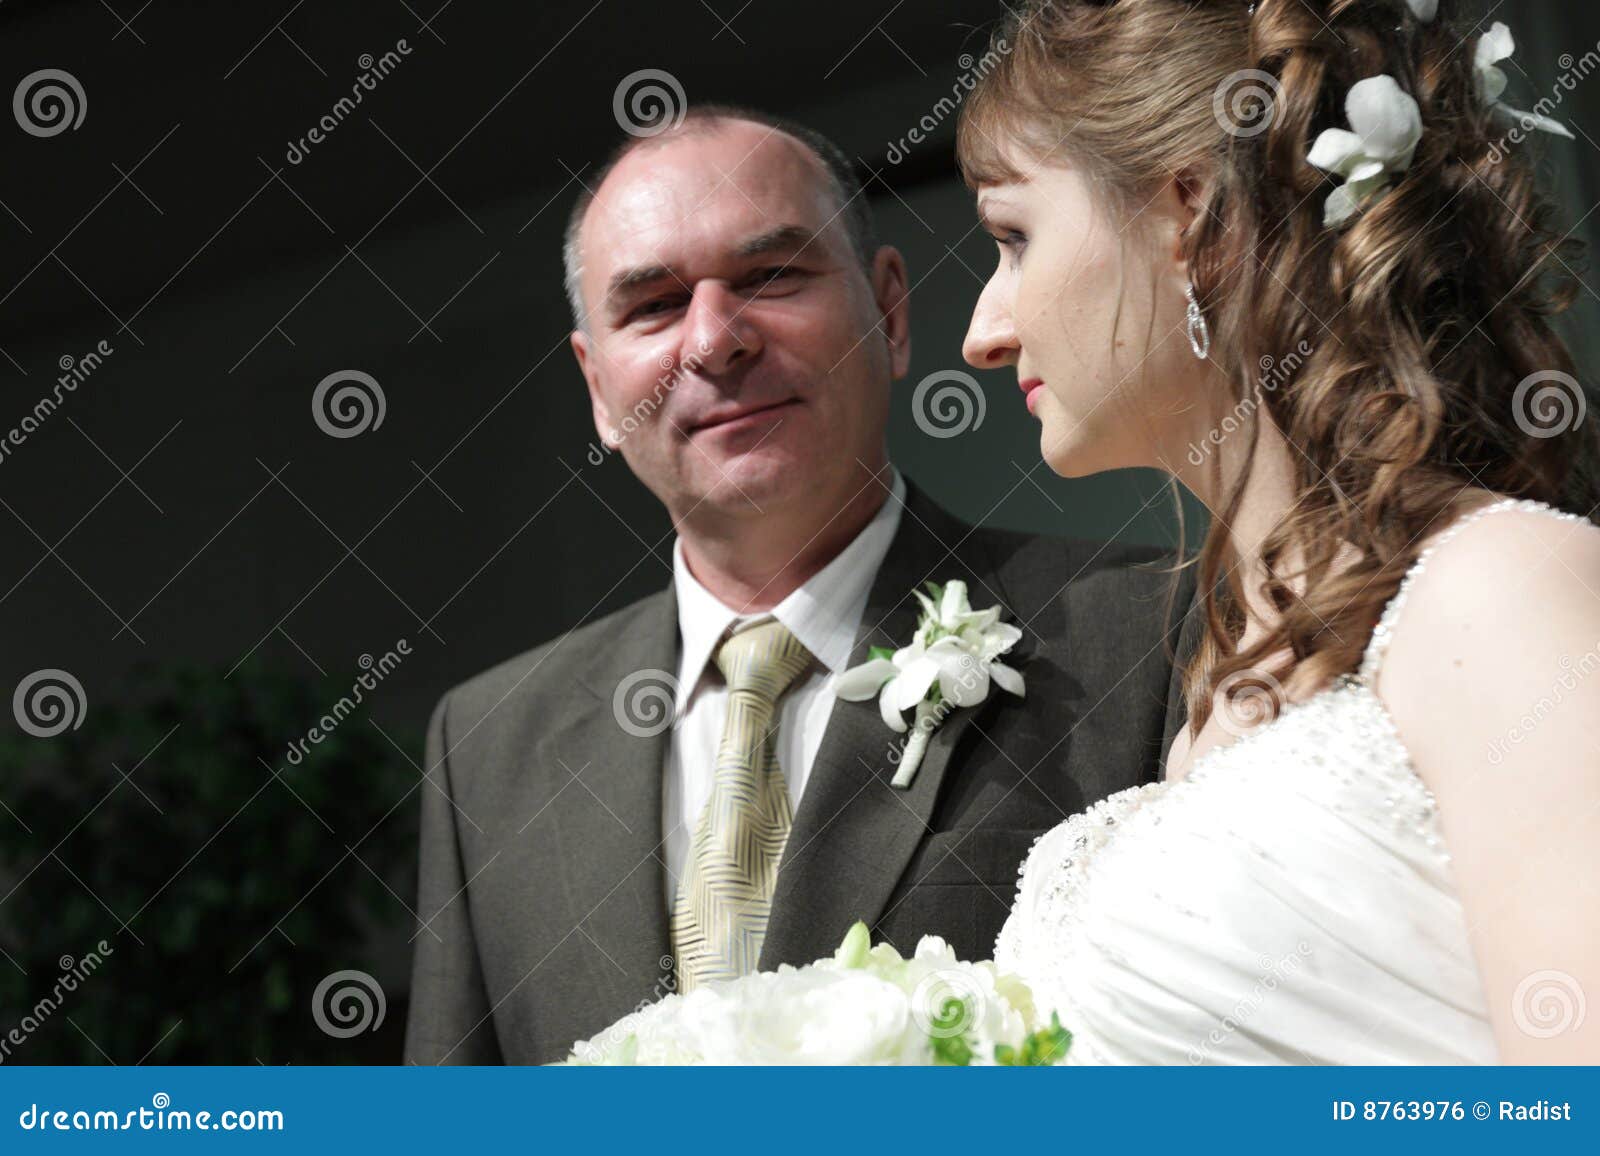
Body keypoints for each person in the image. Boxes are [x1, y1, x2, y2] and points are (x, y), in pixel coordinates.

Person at [402, 104, 1194, 1064]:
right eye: (651, 304)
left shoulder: (1145, 628)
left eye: (770, 276)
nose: (713, 341)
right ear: (599, 389)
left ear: (890, 313)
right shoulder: (488, 744)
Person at [957, 0, 1600, 1062]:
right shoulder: (1215, 684)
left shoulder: (1496, 589)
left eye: (1013, 238)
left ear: (1192, 219)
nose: (982, 331)